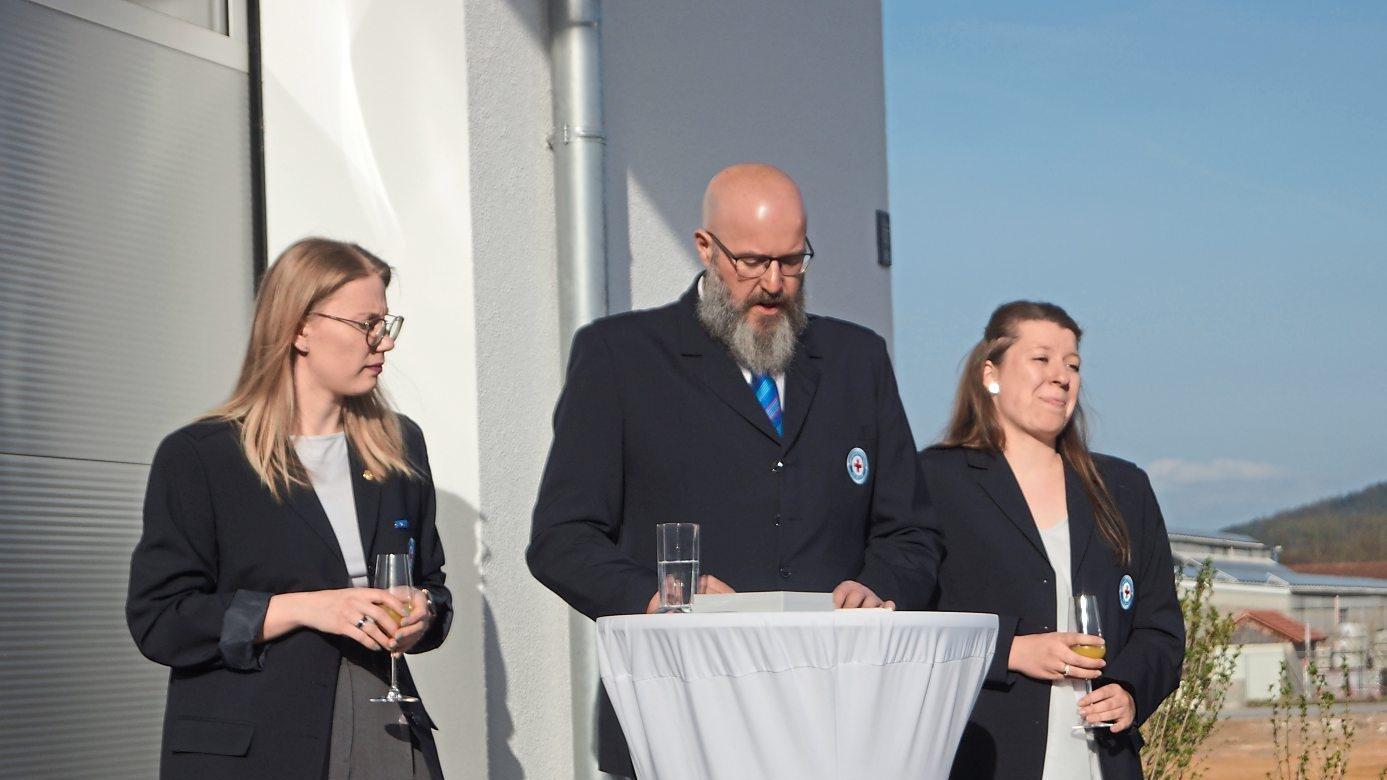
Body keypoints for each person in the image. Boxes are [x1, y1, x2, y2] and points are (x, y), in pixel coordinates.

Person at [527, 162, 939, 777]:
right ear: (705, 248)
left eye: (792, 261)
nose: (773, 283)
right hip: (683, 713)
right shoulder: (622, 357)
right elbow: (562, 539)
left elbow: (911, 532)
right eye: (751, 261)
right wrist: (659, 596)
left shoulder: (858, 360)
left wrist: (879, 583)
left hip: (834, 716)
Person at [126, 238, 451, 779]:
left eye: (387, 324)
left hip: (383, 730)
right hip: (256, 743)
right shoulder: (203, 457)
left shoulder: (398, 446)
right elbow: (161, 621)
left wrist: (424, 612)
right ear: (300, 327)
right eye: (366, 324)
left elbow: (433, 585)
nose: (383, 344)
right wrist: (305, 607)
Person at [919, 301, 1184, 779]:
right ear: (990, 373)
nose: (1061, 376)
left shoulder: (1124, 488)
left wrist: (1129, 690)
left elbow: (1160, 628)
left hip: (1102, 761)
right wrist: (1010, 650)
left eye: (1073, 364)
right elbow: (912, 622)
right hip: (988, 756)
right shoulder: (934, 482)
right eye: (1041, 359)